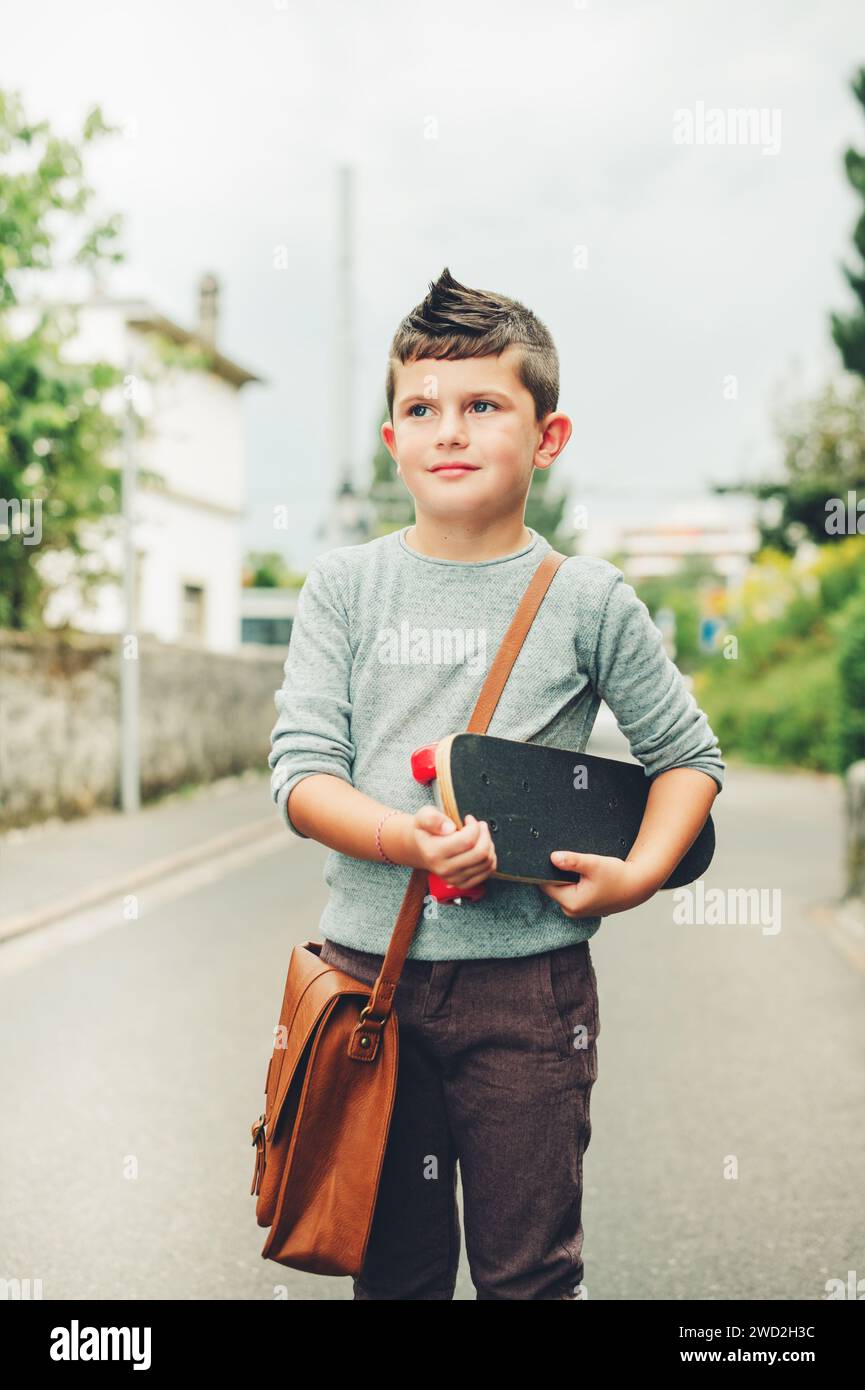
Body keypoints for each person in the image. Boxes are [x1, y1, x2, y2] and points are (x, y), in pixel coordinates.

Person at [268, 266, 725, 1300]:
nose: (449, 431)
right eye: (421, 409)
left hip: (530, 994)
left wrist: (635, 875)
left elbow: (687, 760)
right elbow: (299, 777)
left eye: (483, 405)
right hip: (367, 987)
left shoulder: (588, 599)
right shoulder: (345, 587)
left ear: (547, 438)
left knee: (528, 1275)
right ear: (392, 441)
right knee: (393, 1271)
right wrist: (403, 839)